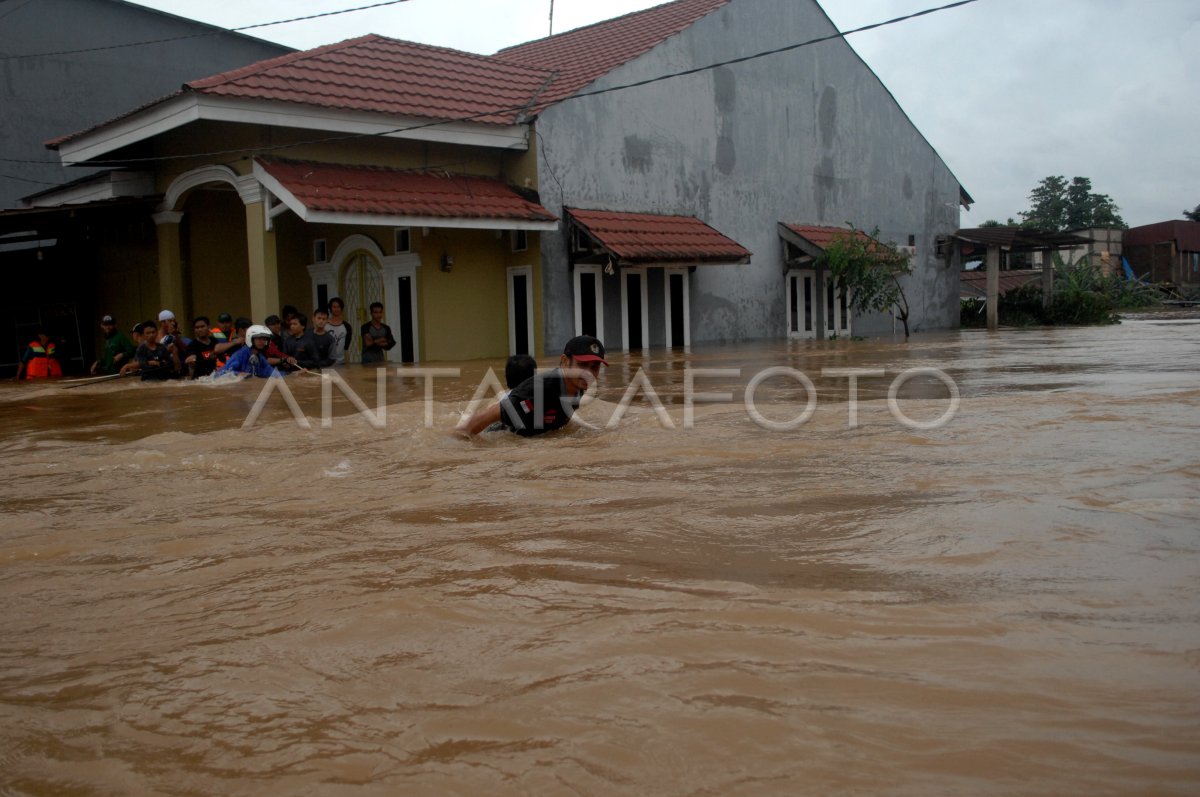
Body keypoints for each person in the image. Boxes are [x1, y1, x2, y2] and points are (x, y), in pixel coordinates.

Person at [456, 335, 606, 437]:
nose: (589, 373)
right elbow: (491, 414)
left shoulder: (578, 385)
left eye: (594, 367)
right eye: (582, 365)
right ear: (565, 361)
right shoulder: (539, 390)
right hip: (502, 438)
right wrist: (456, 439)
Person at [215, 325, 281, 378]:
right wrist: (239, 374)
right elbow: (223, 373)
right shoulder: (240, 355)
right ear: (250, 338)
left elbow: (271, 373)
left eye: (264, 339)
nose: (262, 342)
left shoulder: (260, 357)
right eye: (259, 339)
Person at [326, 297, 352, 364]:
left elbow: (346, 346)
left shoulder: (347, 326)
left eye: (338, 307)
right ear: (330, 308)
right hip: (326, 361)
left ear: (341, 309)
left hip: (341, 361)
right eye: (334, 307)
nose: (336, 309)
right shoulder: (325, 324)